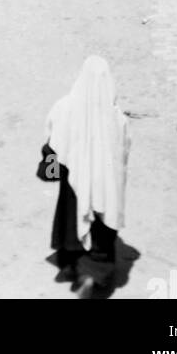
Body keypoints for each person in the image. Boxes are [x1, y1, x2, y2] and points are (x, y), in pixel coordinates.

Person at [42, 57, 128, 298]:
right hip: (105, 187)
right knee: (102, 226)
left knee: (72, 220)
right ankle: (91, 274)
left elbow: (51, 144)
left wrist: (51, 171)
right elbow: (123, 154)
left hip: (73, 183)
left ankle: (71, 265)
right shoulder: (116, 118)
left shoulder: (64, 107)